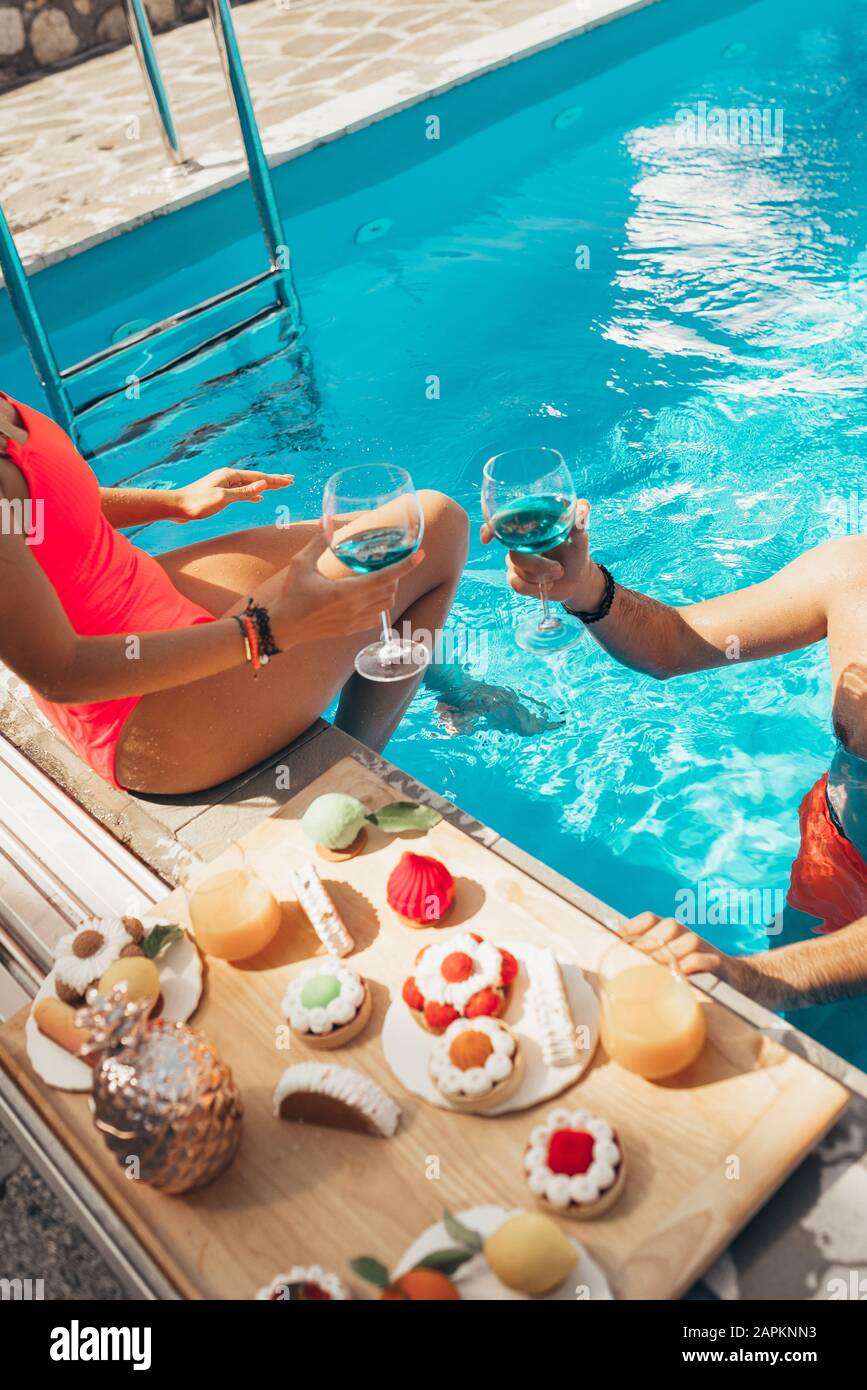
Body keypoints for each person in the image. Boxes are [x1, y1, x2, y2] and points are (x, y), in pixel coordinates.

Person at [486, 499, 867, 1013]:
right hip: (837, 851)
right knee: (805, 1038)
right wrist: (585, 589)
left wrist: (758, 976)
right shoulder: (853, 575)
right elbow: (673, 646)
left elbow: (768, 979)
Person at [0, 390, 468, 795]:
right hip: (144, 713)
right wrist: (269, 629)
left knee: (387, 538)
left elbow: (39, 500)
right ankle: (351, 770)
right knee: (438, 523)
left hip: (149, 600)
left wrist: (173, 502)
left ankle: (423, 677)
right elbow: (59, 671)